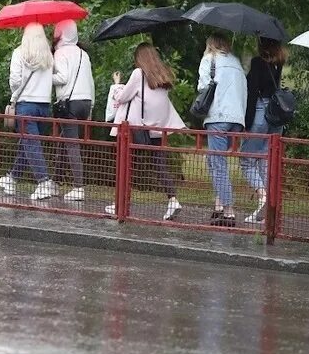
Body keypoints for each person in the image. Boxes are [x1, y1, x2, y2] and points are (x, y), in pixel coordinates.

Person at [105, 43, 185, 221]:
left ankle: (120, 205)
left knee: (126, 165)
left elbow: (122, 97)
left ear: (139, 58)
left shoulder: (138, 74)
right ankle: (173, 199)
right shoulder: (161, 75)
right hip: (157, 129)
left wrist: (117, 84)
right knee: (159, 164)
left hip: (137, 129)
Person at [0, 23, 57, 200]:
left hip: (25, 105)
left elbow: (15, 81)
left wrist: (16, 90)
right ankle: (11, 178)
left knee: (31, 144)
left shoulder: (19, 53)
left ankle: (44, 182)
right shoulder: (48, 56)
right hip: (44, 106)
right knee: (29, 143)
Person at [197, 34, 248, 226]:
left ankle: (228, 211)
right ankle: (219, 204)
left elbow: (202, 86)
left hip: (218, 115)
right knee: (213, 159)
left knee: (217, 162)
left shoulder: (209, 60)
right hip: (237, 117)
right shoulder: (236, 62)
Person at [239, 37, 287, 224]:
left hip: (260, 110)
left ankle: (263, 196)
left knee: (247, 160)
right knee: (265, 160)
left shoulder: (258, 62)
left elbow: (252, 92)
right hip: (275, 113)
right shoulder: (279, 62)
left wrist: (246, 120)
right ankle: (266, 208)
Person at [51, 20, 95, 202]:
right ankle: (56, 180)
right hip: (85, 102)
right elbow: (91, 82)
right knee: (65, 140)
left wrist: (45, 75)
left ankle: (78, 187)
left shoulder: (60, 52)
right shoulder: (84, 54)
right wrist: (91, 107)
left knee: (72, 144)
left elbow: (62, 77)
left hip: (69, 103)